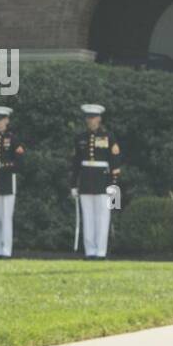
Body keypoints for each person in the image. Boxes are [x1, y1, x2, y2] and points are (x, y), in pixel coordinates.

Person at [70, 104, 122, 260]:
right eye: (88, 118)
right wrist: (73, 184)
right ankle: (90, 251)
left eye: (93, 117)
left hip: (103, 181)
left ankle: (100, 252)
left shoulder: (108, 137)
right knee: (88, 217)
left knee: (103, 218)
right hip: (85, 181)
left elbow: (115, 163)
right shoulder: (80, 138)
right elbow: (75, 164)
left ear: (99, 119)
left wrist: (114, 187)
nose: (90, 120)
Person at [0, 106, 24, 258]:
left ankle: (6, 251)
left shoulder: (13, 139)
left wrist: (2, 165)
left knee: (6, 218)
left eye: (2, 120)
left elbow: (19, 163)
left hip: (8, 182)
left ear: (7, 120)